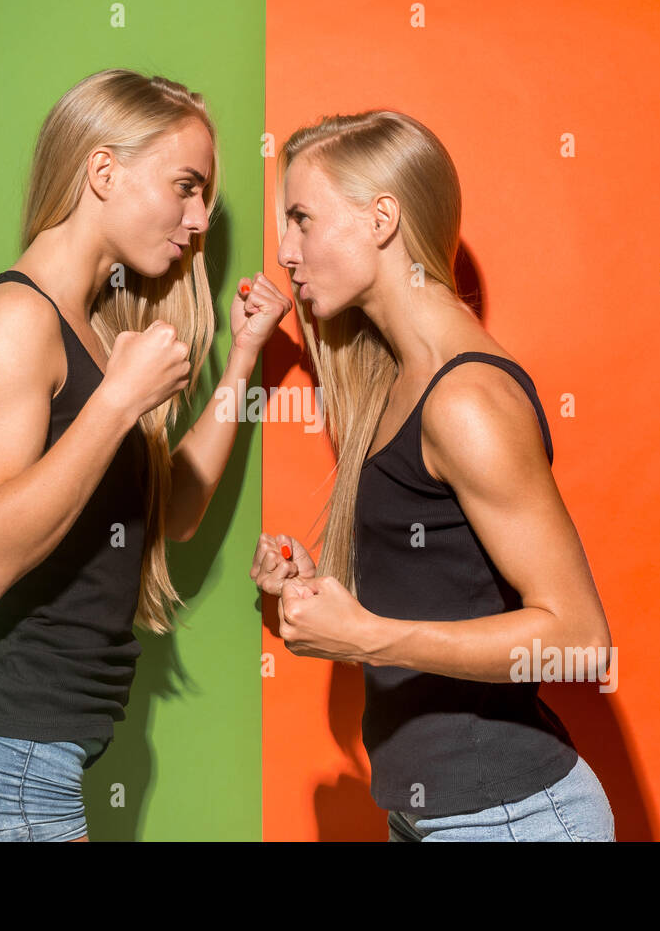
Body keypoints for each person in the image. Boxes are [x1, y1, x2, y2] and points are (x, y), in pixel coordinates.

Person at [0, 69, 291, 841]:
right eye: (185, 186)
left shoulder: (94, 330)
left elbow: (171, 513)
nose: (199, 218)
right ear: (104, 172)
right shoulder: (15, 319)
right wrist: (115, 404)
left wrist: (241, 362)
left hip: (26, 765)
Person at [248, 110, 616, 841]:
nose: (285, 251)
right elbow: (443, 588)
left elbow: (581, 638)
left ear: (381, 219)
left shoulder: (466, 400)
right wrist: (315, 592)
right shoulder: (397, 384)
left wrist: (365, 637)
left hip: (512, 821)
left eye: (302, 219)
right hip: (436, 819)